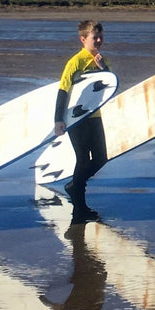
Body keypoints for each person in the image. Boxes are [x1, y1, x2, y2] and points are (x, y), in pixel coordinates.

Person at [54, 19, 110, 225]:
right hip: (76, 119)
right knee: (83, 160)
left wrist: (104, 68)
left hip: (95, 117)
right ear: (83, 39)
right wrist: (58, 119)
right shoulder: (75, 62)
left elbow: (109, 86)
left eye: (101, 37)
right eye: (94, 37)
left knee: (101, 158)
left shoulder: (101, 60)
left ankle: (74, 186)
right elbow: (63, 91)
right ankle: (80, 210)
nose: (99, 40)